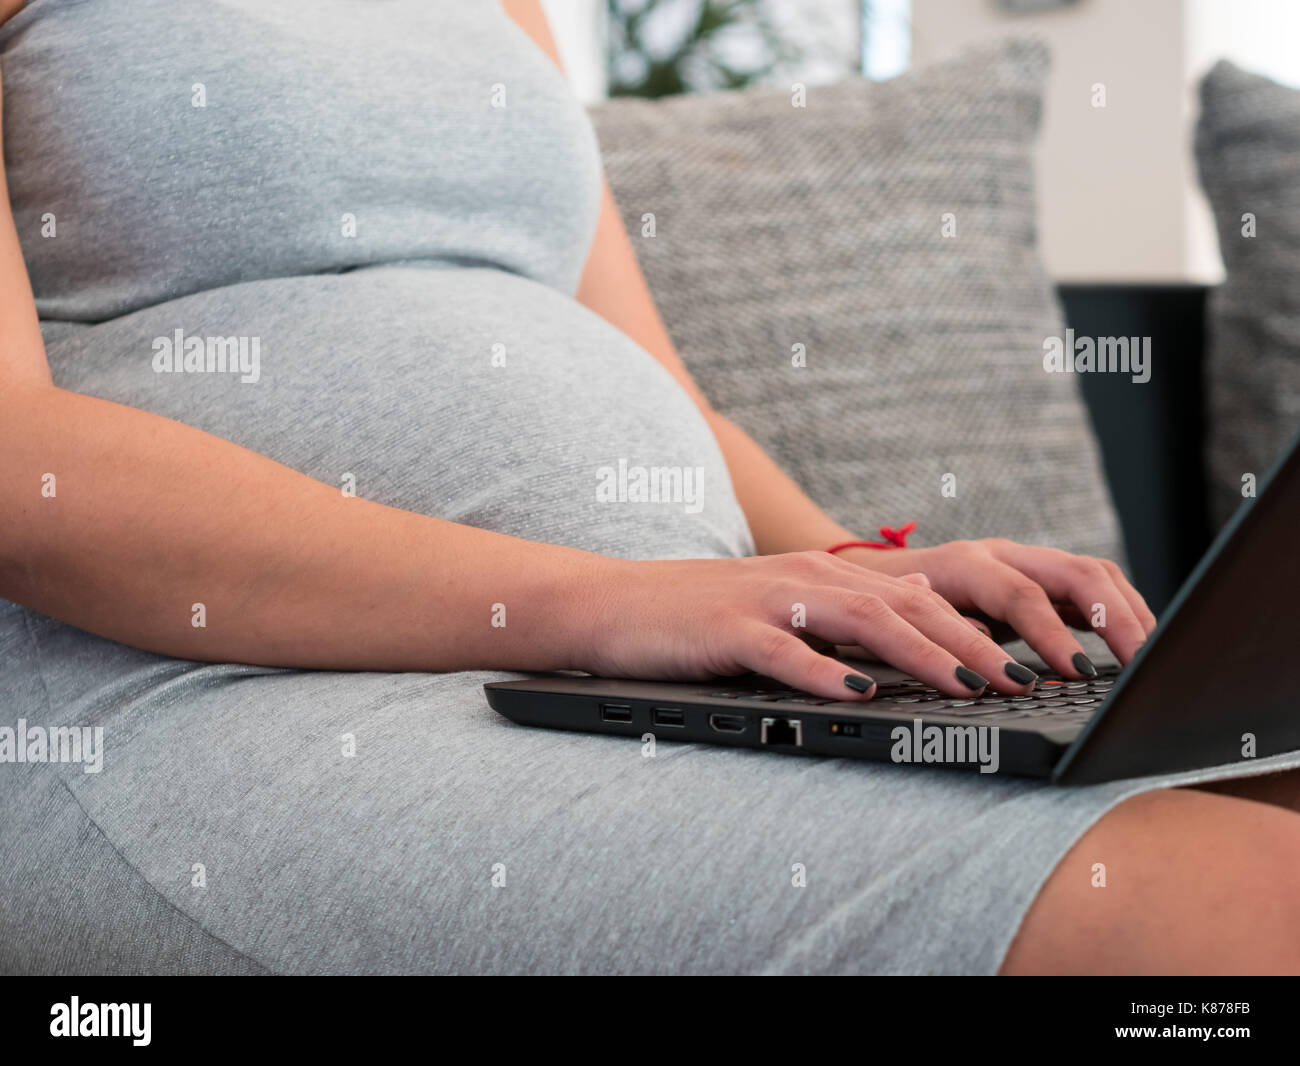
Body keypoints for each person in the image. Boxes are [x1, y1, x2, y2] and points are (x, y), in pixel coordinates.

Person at [1, 0, 1298, 975]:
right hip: (209, 693)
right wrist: (608, 604)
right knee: (1241, 900)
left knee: (1251, 784)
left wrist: (861, 575)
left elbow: (660, 384)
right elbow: (17, 461)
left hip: (628, 671)